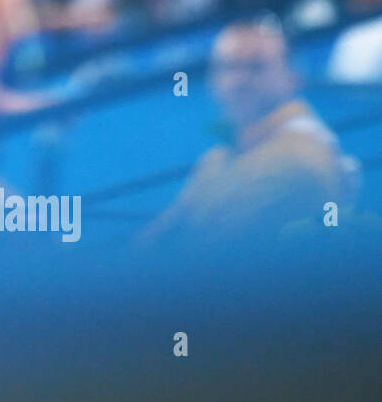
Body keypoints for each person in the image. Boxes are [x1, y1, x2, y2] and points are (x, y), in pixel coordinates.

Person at [141, 20, 359, 242]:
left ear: (293, 78)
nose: (239, 81)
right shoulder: (220, 156)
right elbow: (155, 239)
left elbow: (212, 258)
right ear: (212, 80)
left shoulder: (296, 159)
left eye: (256, 67)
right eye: (228, 67)